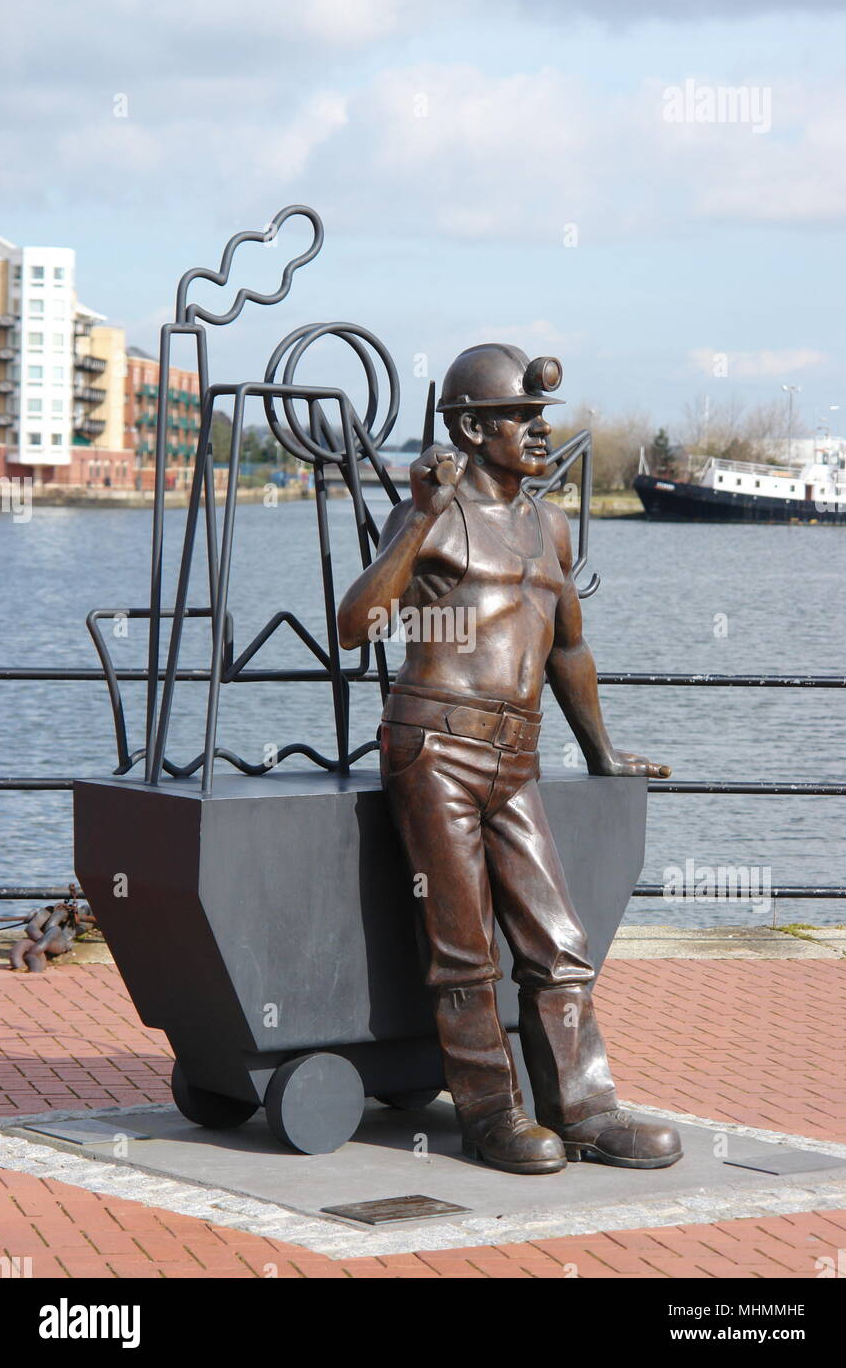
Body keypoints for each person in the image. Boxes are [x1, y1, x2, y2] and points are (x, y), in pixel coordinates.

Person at [338, 343, 682, 1175]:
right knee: (463, 945)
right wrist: (417, 515)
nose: (536, 433)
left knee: (558, 938)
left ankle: (585, 1108)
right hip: (435, 749)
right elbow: (356, 624)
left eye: (539, 421)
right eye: (519, 419)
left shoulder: (548, 523)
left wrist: (603, 754)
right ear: (468, 426)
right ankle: (491, 1114)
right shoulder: (438, 514)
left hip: (515, 758)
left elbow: (569, 649)